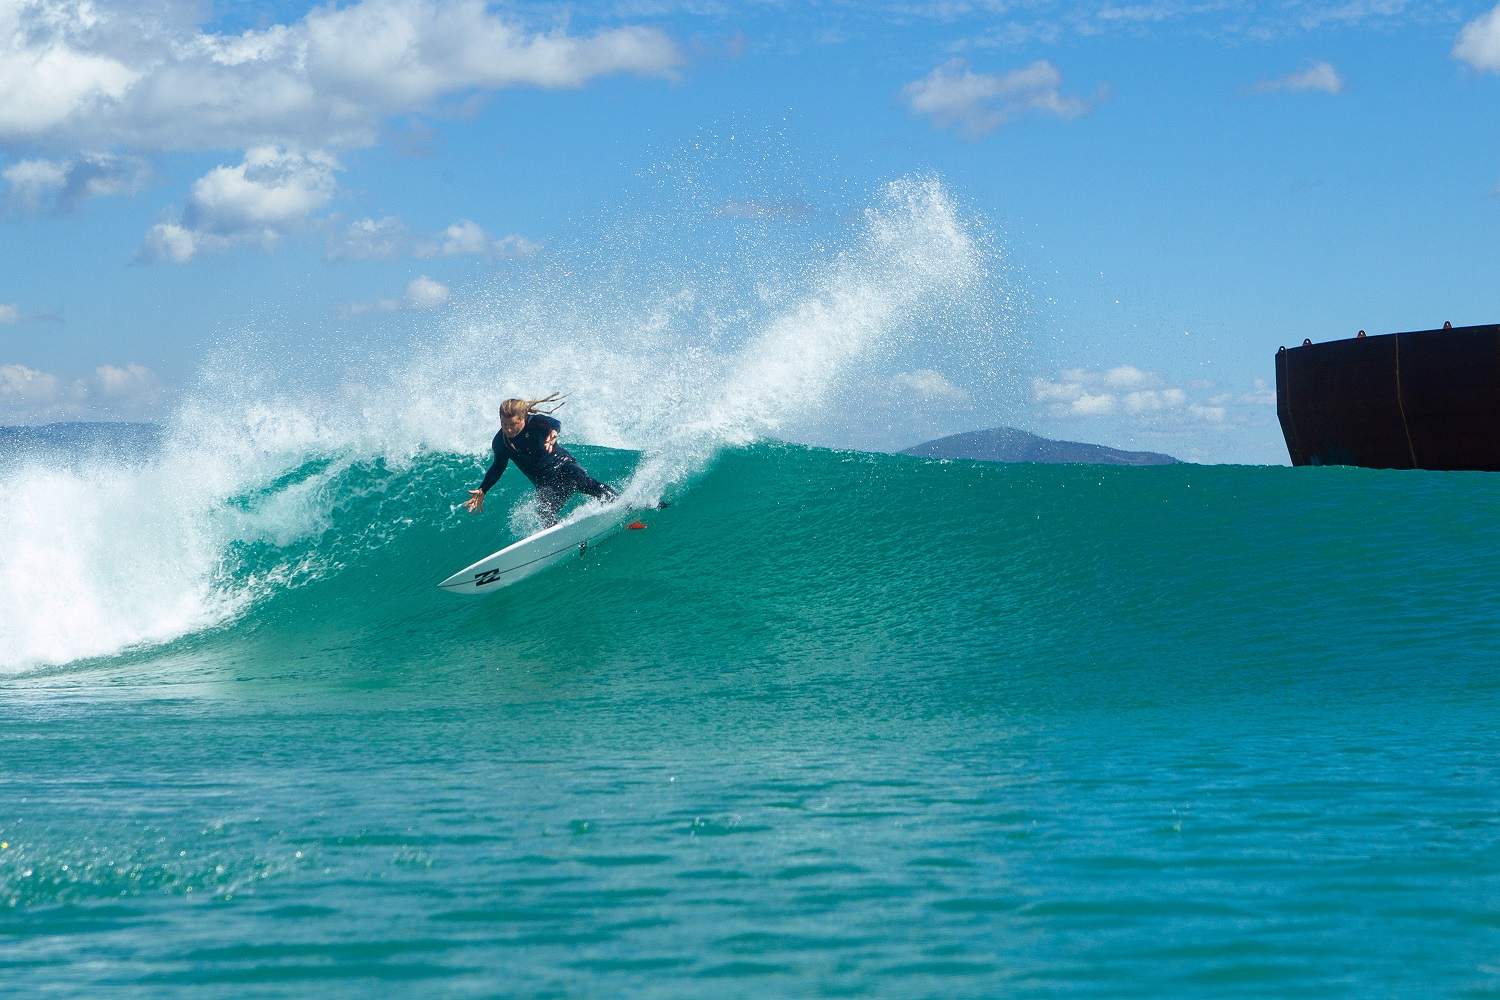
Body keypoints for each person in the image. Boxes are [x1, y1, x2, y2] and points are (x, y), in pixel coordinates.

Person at [463, 393, 617, 528]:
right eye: (504, 424)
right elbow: (498, 467)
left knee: (580, 479)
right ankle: (560, 539)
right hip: (544, 482)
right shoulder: (500, 442)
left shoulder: (536, 422)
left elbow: (555, 423)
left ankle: (618, 504)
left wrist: (554, 432)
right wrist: (483, 489)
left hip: (563, 465)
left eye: (513, 424)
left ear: (523, 418)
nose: (508, 429)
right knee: (544, 511)